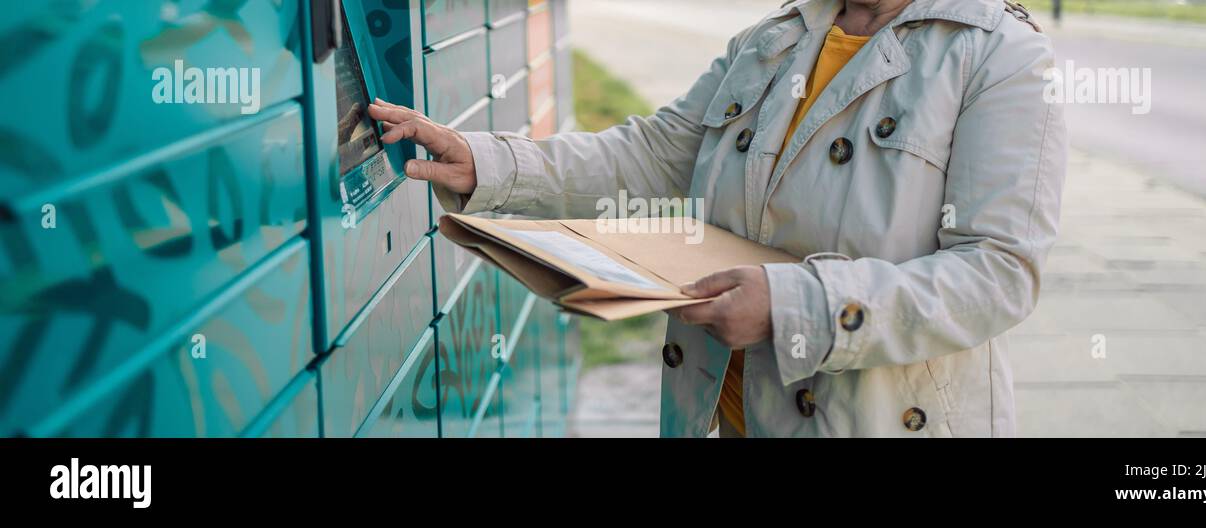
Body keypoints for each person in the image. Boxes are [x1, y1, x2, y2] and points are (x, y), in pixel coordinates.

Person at [368, 0, 1066, 437]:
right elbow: (650, 153)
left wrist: (800, 306)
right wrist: (487, 163)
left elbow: (999, 272)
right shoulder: (776, 37)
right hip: (726, 413)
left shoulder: (999, 54)